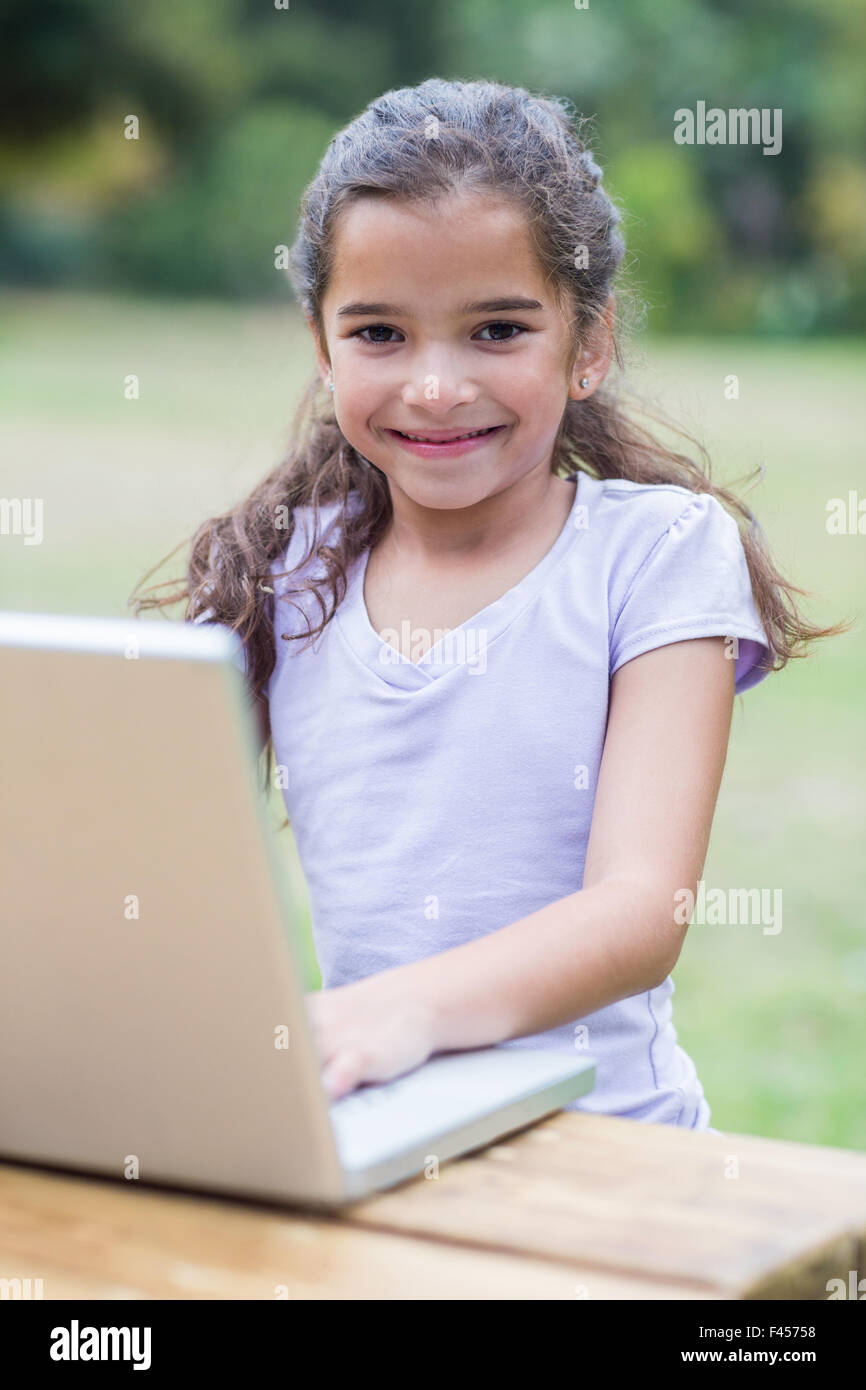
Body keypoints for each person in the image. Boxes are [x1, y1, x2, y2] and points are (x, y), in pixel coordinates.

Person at [130, 78, 847, 1130]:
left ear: (586, 344)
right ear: (323, 348)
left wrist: (395, 1012)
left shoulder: (656, 553)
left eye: (497, 329)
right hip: (371, 1124)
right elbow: (155, 865)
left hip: (609, 1150)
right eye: (379, 333)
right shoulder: (282, 571)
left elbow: (641, 910)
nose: (433, 385)